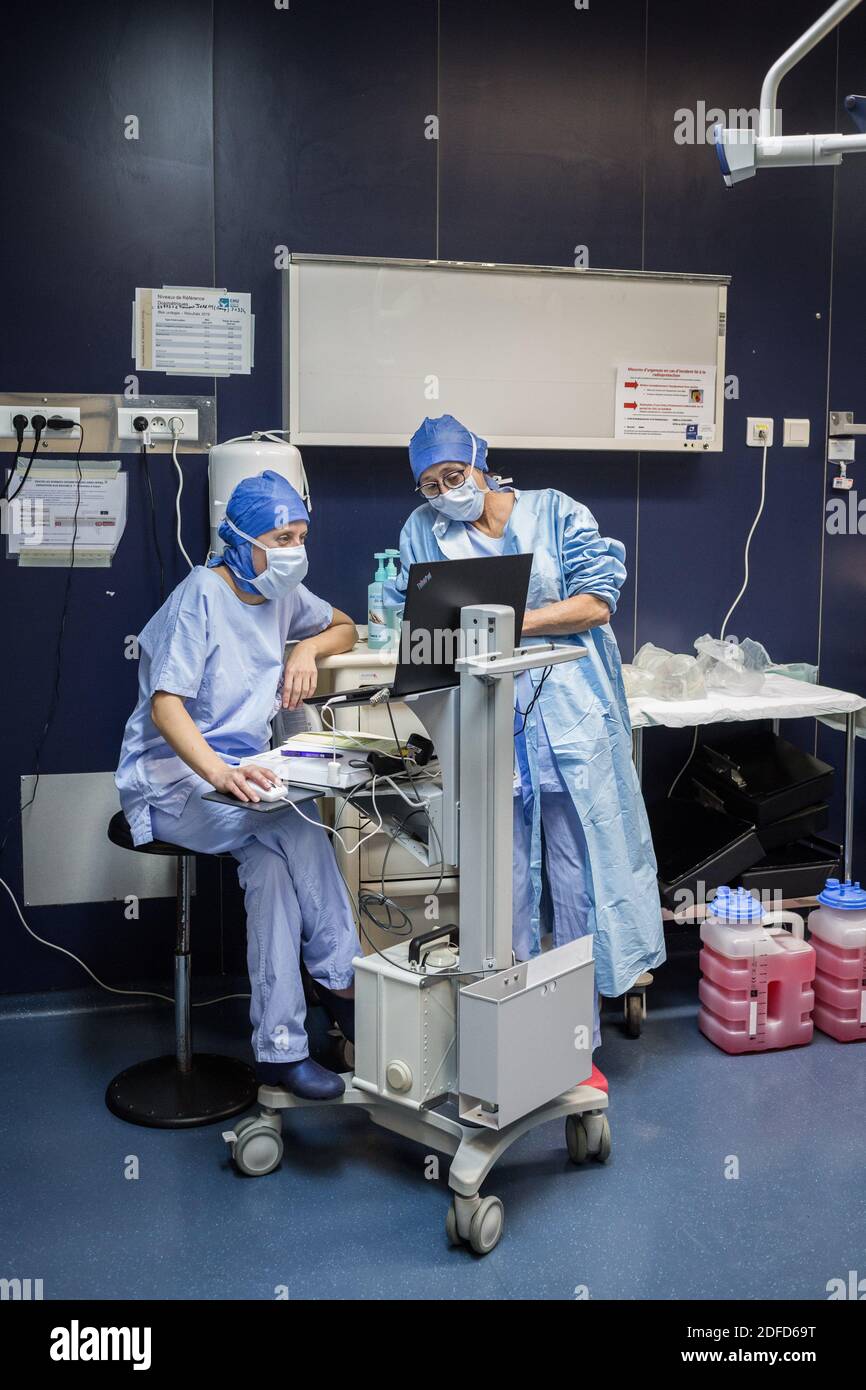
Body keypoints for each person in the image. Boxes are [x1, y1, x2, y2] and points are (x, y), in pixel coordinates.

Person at [385, 414, 665, 1050]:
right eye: (430, 484)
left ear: (482, 463)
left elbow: (596, 602)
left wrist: (511, 622)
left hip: (570, 716)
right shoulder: (422, 531)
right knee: (499, 878)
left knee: (578, 873)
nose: (445, 491)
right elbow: (424, 619)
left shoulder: (556, 512)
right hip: (488, 721)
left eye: (454, 475)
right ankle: (505, 1039)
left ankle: (574, 1038)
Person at [116, 470, 360, 1099]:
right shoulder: (202, 593)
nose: (293, 550)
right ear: (242, 540)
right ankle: (343, 983)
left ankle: (281, 1051)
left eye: (300, 535)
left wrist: (304, 651)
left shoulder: (281, 595)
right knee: (290, 822)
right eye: (281, 536)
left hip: (243, 783)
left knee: (273, 871)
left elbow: (346, 626)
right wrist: (220, 772)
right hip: (173, 783)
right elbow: (168, 707)